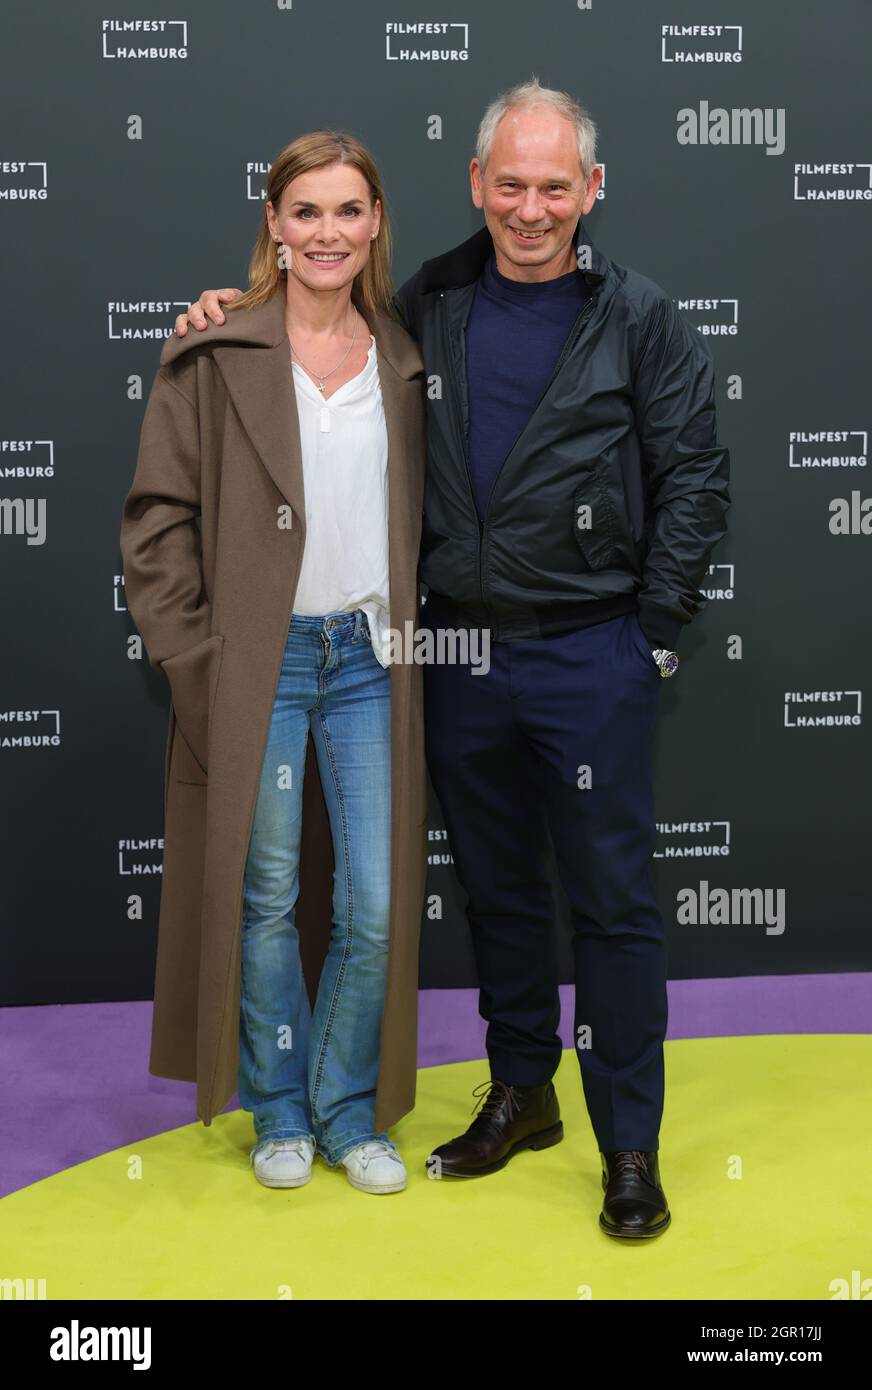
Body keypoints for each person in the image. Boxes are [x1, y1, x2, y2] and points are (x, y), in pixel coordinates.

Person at [174, 79, 730, 1238]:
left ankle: (629, 1143)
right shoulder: (425, 302)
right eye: (510, 185)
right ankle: (522, 1091)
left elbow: (694, 478)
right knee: (498, 895)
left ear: (591, 190)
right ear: (476, 185)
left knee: (614, 908)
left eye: (554, 187)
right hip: (453, 654)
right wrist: (225, 312)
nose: (531, 209)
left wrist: (654, 637)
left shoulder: (642, 318)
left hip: (593, 655)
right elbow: (304, 325)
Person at [120, 131, 428, 1195]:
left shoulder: (404, 356)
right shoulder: (217, 351)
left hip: (368, 661)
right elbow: (155, 522)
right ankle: (281, 1107)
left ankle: (349, 1111)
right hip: (263, 662)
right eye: (306, 212)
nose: (328, 232)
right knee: (261, 895)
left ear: (376, 221)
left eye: (348, 211)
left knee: (376, 903)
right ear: (273, 224)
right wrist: (194, 654)